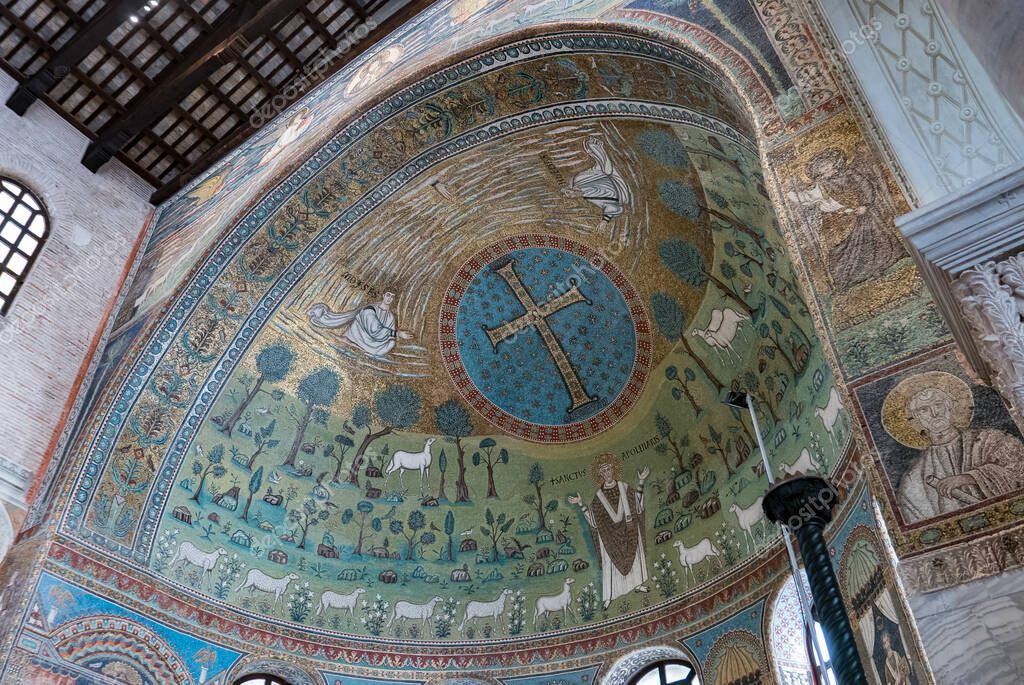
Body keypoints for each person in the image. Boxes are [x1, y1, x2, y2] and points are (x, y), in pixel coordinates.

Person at [883, 371, 1024, 522]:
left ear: (950, 407)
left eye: (938, 404)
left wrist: (970, 477)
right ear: (916, 420)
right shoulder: (914, 477)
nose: (934, 413)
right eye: (923, 410)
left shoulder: (990, 440)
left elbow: (1019, 467)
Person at [568, 453, 649, 608]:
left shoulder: (624, 487)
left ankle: (637, 584)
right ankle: (610, 596)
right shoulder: (599, 496)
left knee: (636, 552)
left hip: (629, 531)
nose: (607, 473)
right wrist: (580, 504)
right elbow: (594, 519)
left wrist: (641, 481)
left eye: (609, 469)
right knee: (609, 562)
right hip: (609, 536)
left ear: (613, 471)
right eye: (604, 471)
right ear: (600, 474)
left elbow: (637, 504)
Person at [307, 291, 412, 357]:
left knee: (391, 343)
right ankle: (349, 341)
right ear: (384, 295)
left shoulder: (390, 316)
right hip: (360, 335)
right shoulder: (370, 308)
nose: (389, 298)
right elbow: (374, 328)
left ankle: (362, 349)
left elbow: (388, 332)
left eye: (392, 297)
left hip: (375, 342)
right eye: (388, 295)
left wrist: (393, 336)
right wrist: (397, 334)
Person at [563, 136, 632, 221]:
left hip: (598, 177)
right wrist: (605, 221)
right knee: (606, 170)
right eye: (571, 194)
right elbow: (615, 208)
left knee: (579, 178)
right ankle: (598, 150)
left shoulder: (577, 181)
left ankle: (596, 150)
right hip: (615, 187)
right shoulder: (593, 198)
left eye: (569, 191)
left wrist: (571, 186)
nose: (571, 192)